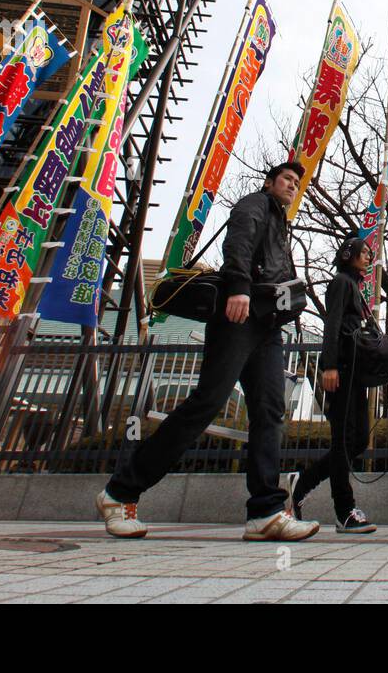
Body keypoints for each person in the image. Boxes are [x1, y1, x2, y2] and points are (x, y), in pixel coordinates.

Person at [95, 161, 319, 542]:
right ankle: (120, 493)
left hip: (266, 325)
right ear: (270, 182)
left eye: (297, 183)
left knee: (269, 411)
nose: (292, 186)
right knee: (206, 403)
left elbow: (278, 275)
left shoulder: (282, 224)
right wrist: (239, 288)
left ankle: (265, 511)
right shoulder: (255, 204)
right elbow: (239, 244)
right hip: (239, 315)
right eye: (287, 179)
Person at [290, 236, 378, 534]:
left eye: (369, 252)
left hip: (355, 372)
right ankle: (344, 511)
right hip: (340, 369)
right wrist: (328, 365)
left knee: (357, 439)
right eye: (364, 252)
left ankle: (303, 481)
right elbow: (333, 323)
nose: (368, 256)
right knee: (343, 440)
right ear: (348, 255)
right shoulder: (341, 282)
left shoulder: (355, 285)